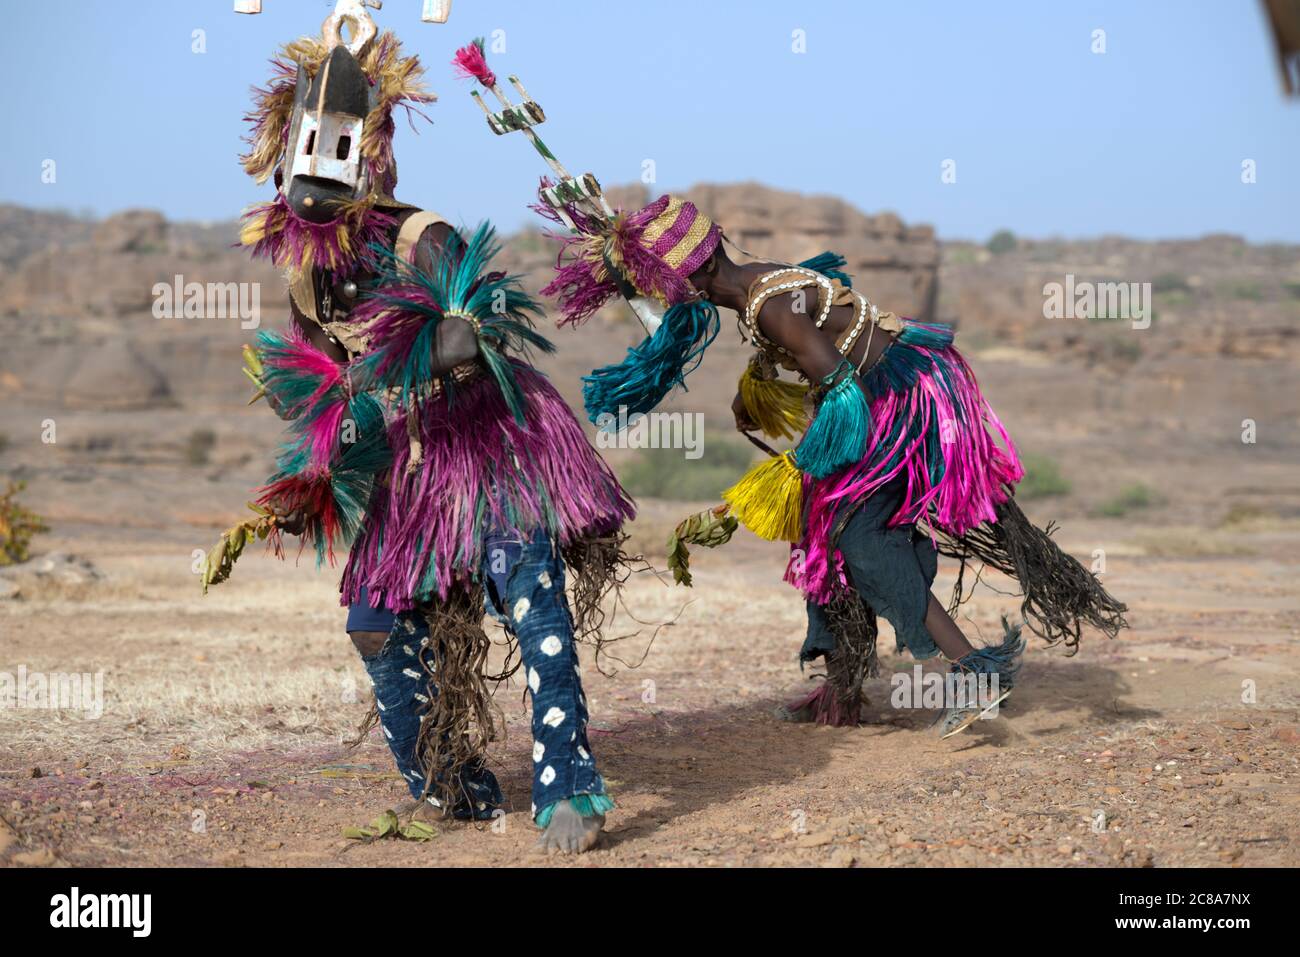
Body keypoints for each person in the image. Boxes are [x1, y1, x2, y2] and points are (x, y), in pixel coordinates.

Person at [234, 14, 634, 854]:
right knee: (372, 623)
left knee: (530, 600)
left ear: (371, 157)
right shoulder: (308, 277)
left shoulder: (425, 237)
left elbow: (471, 330)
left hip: (484, 444)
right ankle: (453, 784)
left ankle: (571, 787)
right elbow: (307, 388)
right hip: (404, 474)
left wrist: (374, 372)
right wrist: (316, 456)